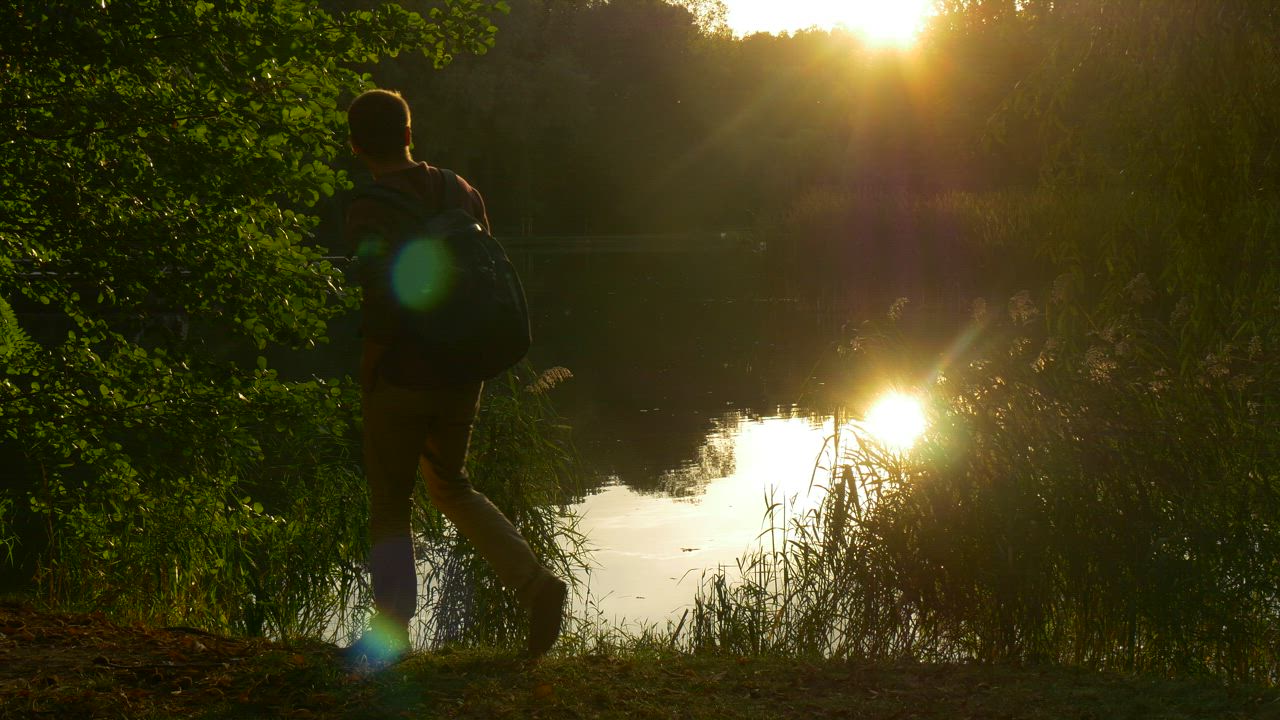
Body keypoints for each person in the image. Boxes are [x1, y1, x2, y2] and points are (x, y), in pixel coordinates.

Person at [342, 88, 567, 664]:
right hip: (466, 368)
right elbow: (486, 269)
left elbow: (380, 297)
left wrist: (370, 366)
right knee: (451, 483)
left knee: (391, 503)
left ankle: (391, 633)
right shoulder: (458, 188)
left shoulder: (369, 206)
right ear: (410, 135)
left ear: (356, 144)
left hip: (403, 373)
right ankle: (535, 583)